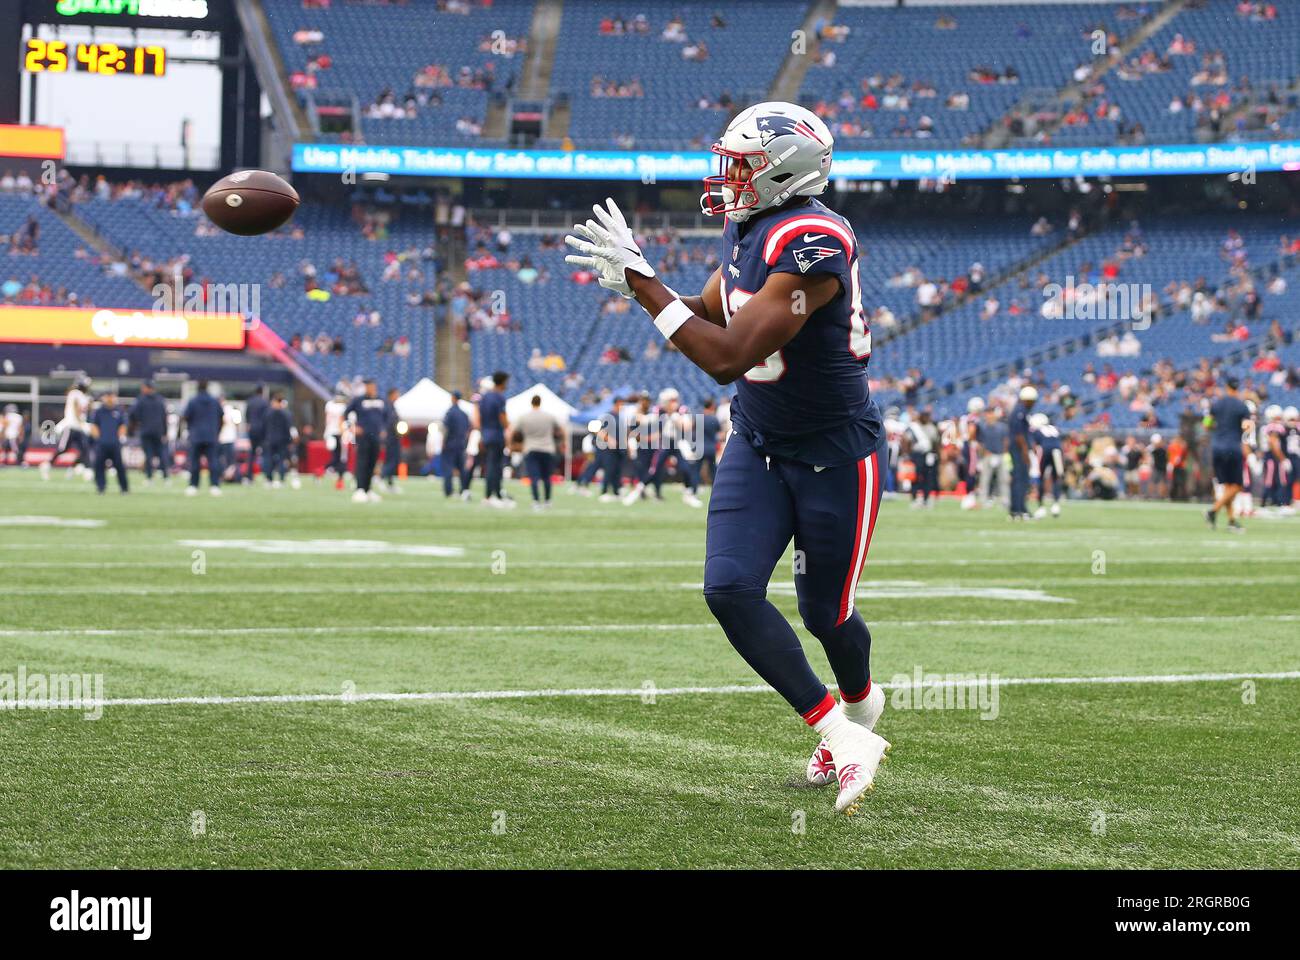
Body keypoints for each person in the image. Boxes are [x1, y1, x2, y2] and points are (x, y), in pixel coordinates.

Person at [565, 100, 888, 815]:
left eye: (742, 165)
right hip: (760, 441)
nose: (728, 177)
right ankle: (840, 732)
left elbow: (729, 355)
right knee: (730, 589)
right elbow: (712, 313)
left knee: (826, 613)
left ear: (786, 173)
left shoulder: (813, 242)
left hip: (836, 454)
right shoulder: (749, 226)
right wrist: (638, 285)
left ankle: (863, 713)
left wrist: (646, 286)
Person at [1205, 378, 1251, 531]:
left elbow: (1206, 424)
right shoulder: (1242, 406)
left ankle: (1231, 521)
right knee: (1237, 486)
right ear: (1238, 388)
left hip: (1217, 447)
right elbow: (1247, 428)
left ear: (1226, 387)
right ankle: (1213, 510)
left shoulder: (1217, 404)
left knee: (1227, 486)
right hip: (1232, 448)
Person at [515, 394, 564, 511]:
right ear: (540, 402)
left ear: (531, 403)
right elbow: (561, 430)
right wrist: (562, 443)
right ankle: (547, 500)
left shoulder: (524, 417)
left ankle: (536, 501)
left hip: (531, 448)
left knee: (534, 477)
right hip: (547, 449)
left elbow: (515, 432)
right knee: (547, 477)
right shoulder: (549, 416)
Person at [344, 379, 390, 503]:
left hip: (376, 437)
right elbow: (346, 413)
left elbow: (387, 416)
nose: (371, 388)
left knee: (372, 463)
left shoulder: (381, 400)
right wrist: (352, 427)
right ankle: (360, 489)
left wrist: (384, 429)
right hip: (363, 436)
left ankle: (368, 489)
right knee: (362, 462)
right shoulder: (359, 400)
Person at [42, 379, 91, 480]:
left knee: (84, 450)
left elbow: (84, 409)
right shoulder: (75, 393)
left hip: (78, 426)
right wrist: (80, 421)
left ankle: (78, 469)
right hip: (71, 426)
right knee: (64, 449)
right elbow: (76, 407)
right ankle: (47, 464)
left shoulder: (81, 395)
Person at [182, 380, 223, 496]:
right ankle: (214, 485)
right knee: (213, 462)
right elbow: (221, 417)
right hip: (211, 435)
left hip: (196, 435)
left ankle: (193, 486)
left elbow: (186, 416)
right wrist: (217, 432)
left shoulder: (193, 401)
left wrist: (190, 429)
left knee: (195, 462)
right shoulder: (215, 401)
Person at [478, 371, 511, 508]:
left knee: (493, 465)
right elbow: (503, 419)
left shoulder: (485, 397)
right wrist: (509, 428)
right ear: (502, 382)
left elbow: (479, 417)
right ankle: (490, 496)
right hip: (496, 435)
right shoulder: (499, 398)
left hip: (486, 434)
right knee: (494, 466)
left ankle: (496, 494)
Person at [88, 390, 128, 495]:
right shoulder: (98, 411)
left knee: (120, 467)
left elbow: (123, 426)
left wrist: (121, 438)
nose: (110, 399)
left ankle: (124, 489)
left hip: (115, 444)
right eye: (107, 396)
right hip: (102, 444)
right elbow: (94, 426)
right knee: (99, 466)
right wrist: (99, 439)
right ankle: (101, 488)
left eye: (112, 396)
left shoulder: (119, 411)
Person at [129, 381, 169, 482]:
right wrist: (165, 432)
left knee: (149, 454)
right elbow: (164, 417)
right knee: (161, 454)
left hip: (146, 430)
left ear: (148, 388)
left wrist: (135, 426)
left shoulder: (141, 400)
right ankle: (165, 477)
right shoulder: (160, 400)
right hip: (158, 431)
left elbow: (133, 414)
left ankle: (149, 477)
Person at [1008, 386, 1036, 520]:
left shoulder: (1019, 410)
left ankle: (1015, 509)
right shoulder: (1020, 411)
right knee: (1021, 480)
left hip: (1017, 448)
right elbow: (1019, 435)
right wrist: (1025, 451)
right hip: (1018, 449)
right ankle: (1020, 509)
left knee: (1018, 479)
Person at [1030, 411, 1063, 517]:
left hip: (1044, 451)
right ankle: (1056, 505)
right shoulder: (1054, 428)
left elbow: (1035, 445)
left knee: (1041, 477)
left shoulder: (1037, 430)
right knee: (1056, 478)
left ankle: (1041, 507)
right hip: (1058, 451)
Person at [441, 390, 471, 499]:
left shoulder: (450, 412)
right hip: (461, 445)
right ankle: (463, 490)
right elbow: (468, 431)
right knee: (462, 469)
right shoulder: (464, 414)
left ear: (453, 398)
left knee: (448, 468)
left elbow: (445, 429)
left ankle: (449, 491)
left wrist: (443, 442)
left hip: (450, 445)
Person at [262, 393, 294, 487]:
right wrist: (289, 440)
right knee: (281, 460)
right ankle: (281, 479)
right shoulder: (285, 413)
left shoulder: (267, 413)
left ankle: (269, 479)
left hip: (269, 439)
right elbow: (288, 427)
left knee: (269, 459)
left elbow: (263, 427)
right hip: (282, 440)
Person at [243, 385, 269, 484]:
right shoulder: (264, 402)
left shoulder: (250, 402)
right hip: (262, 431)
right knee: (266, 454)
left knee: (251, 454)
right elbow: (266, 417)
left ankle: (249, 477)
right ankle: (267, 476)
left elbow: (247, 416)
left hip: (252, 430)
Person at [381, 387, 404, 493]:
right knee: (391, 460)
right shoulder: (387, 406)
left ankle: (389, 483)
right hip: (391, 438)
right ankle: (381, 477)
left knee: (393, 460)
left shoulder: (392, 406)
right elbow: (388, 423)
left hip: (394, 437)